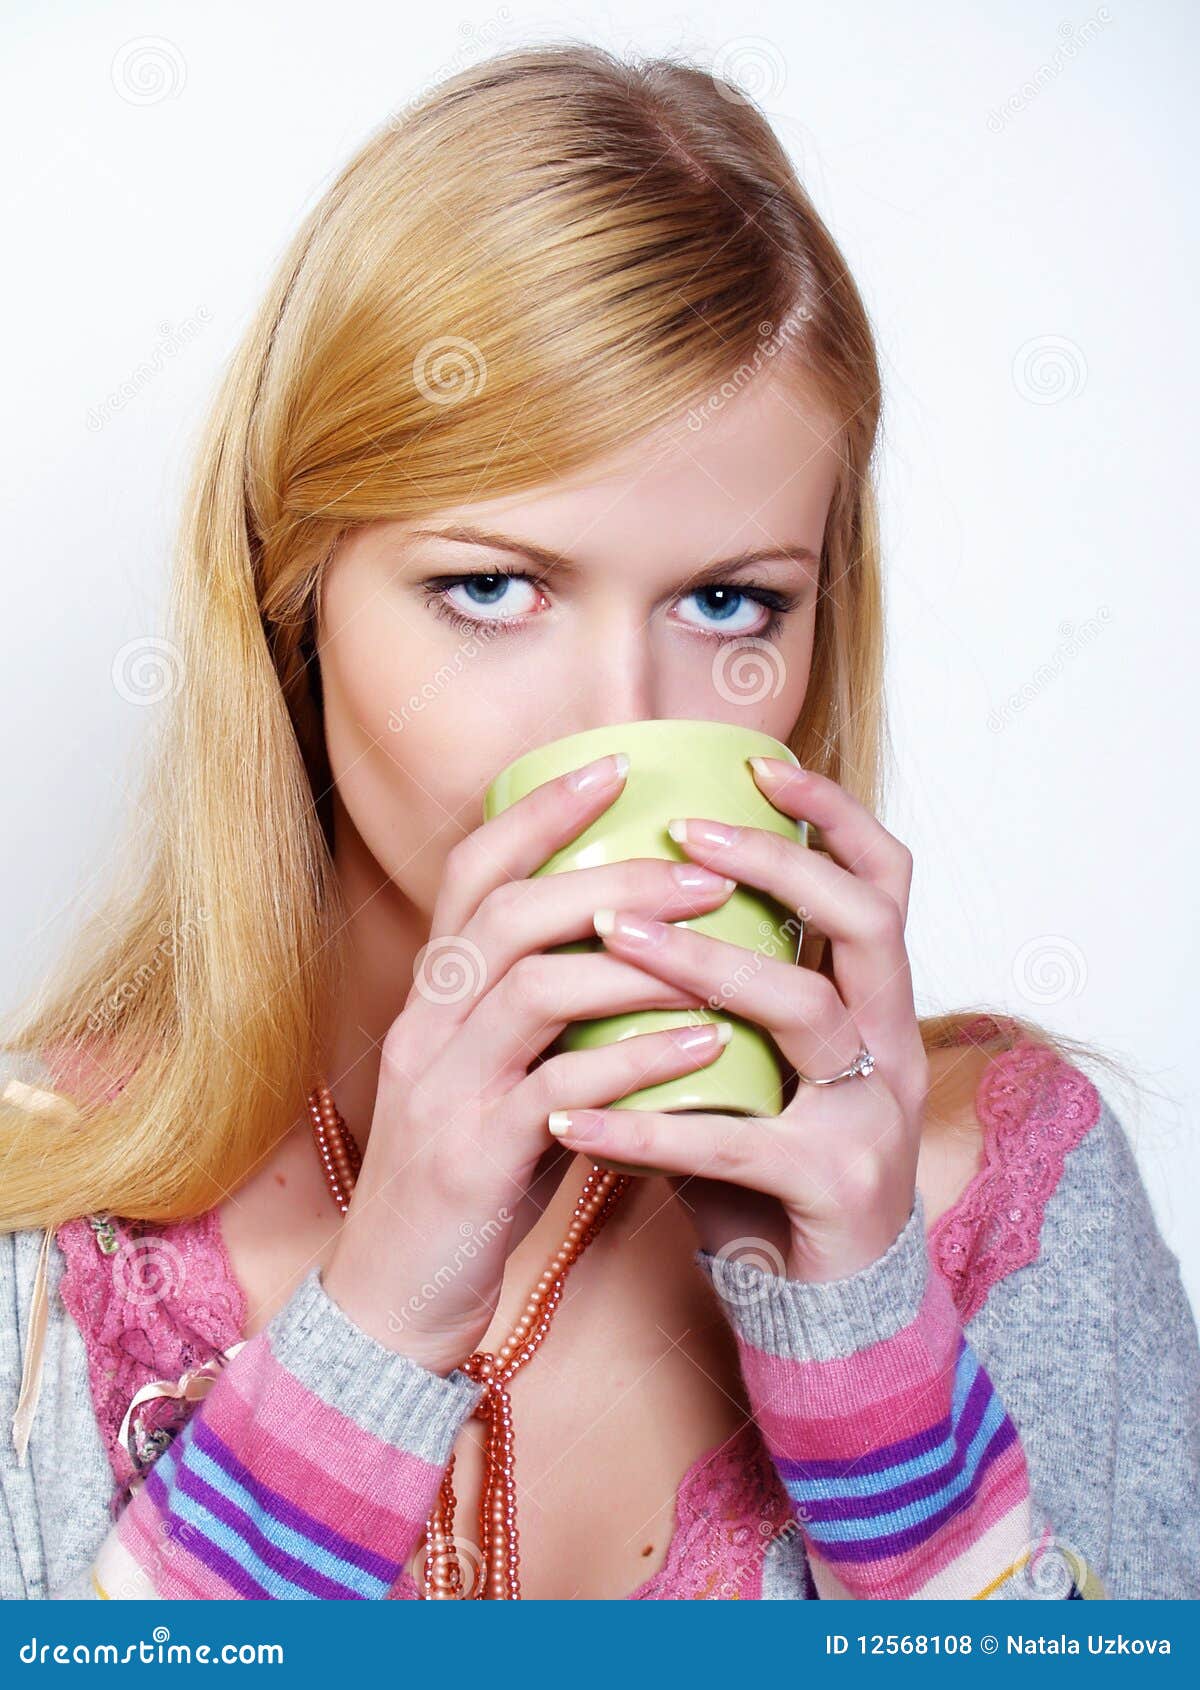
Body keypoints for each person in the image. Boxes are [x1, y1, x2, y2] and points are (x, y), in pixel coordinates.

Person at [2, 43, 1197, 1602]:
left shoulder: (1021, 1209)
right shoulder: (46, 1252)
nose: (617, 720)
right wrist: (368, 1334)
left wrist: (874, 1355)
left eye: (727, 600)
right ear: (291, 595)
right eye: (491, 587)